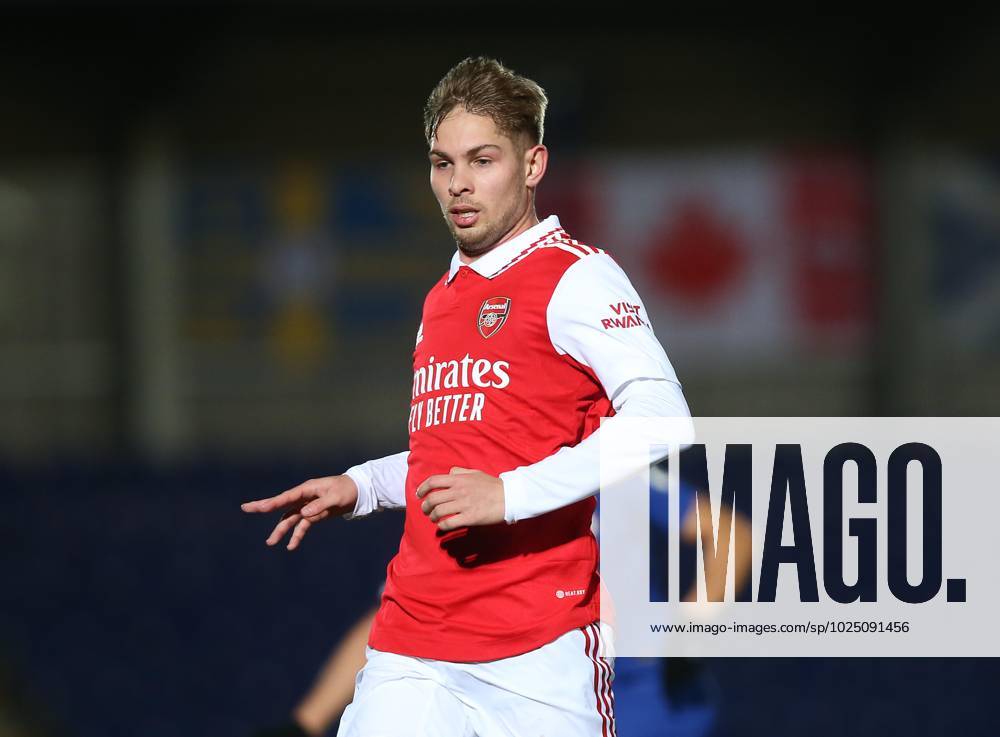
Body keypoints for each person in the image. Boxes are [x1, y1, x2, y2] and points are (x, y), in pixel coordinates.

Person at [242, 56, 692, 737]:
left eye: (482, 160)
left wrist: (509, 495)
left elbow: (664, 422)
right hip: (413, 643)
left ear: (533, 164)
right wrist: (360, 486)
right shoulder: (443, 298)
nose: (458, 184)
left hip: (538, 650)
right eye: (441, 163)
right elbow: (453, 454)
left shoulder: (578, 278)